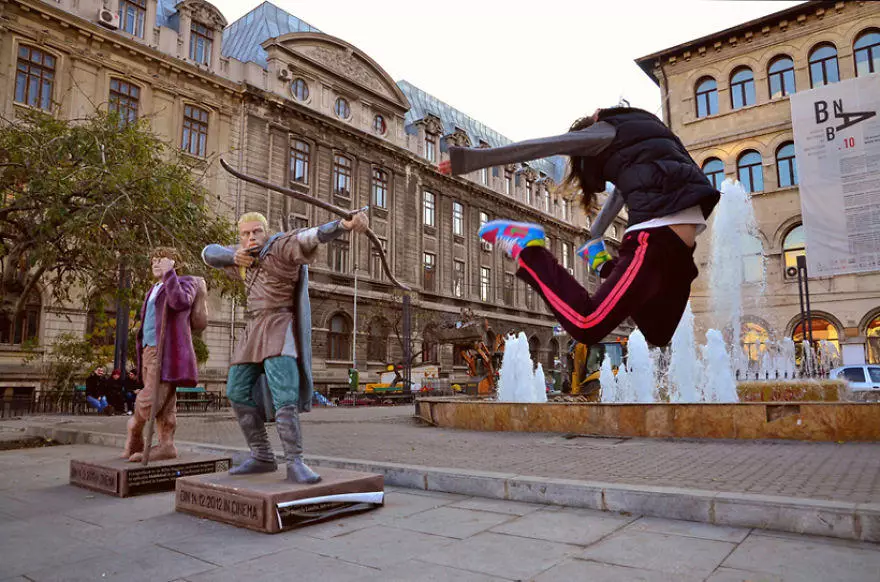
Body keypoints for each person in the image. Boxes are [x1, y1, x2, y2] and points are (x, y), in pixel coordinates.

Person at [440, 106, 720, 348]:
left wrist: (596, 235)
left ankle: (602, 265)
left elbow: (620, 191)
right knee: (587, 323)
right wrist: (467, 160)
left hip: (675, 249)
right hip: (656, 239)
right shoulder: (631, 130)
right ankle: (529, 249)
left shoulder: (630, 135)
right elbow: (545, 146)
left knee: (659, 332)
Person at [203, 210, 369, 484]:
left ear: (265, 231)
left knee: (284, 396)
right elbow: (208, 253)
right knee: (235, 390)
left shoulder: (280, 246)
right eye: (245, 233)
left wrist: (343, 225)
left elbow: (311, 235)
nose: (251, 237)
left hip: (279, 325)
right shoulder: (241, 257)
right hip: (253, 328)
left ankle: (295, 462)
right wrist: (233, 256)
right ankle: (262, 456)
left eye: (256, 231)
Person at [121, 247, 199, 462]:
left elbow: (180, 302)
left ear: (175, 263)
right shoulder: (153, 288)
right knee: (165, 402)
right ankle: (166, 445)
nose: (155, 264)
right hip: (148, 350)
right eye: (153, 260)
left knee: (152, 396)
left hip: (166, 352)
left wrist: (170, 275)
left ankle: (135, 430)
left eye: (161, 260)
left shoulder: (184, 282)